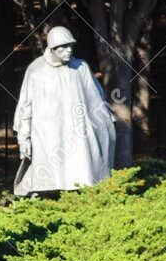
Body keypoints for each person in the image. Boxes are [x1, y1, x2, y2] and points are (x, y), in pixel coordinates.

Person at [12, 26, 116, 197]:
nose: (69, 51)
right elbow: (26, 106)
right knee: (47, 172)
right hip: (48, 134)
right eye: (64, 47)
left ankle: (81, 200)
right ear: (53, 48)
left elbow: (95, 97)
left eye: (71, 46)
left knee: (82, 169)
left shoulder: (80, 68)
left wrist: (104, 120)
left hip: (78, 131)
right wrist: (24, 138)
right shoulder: (37, 71)